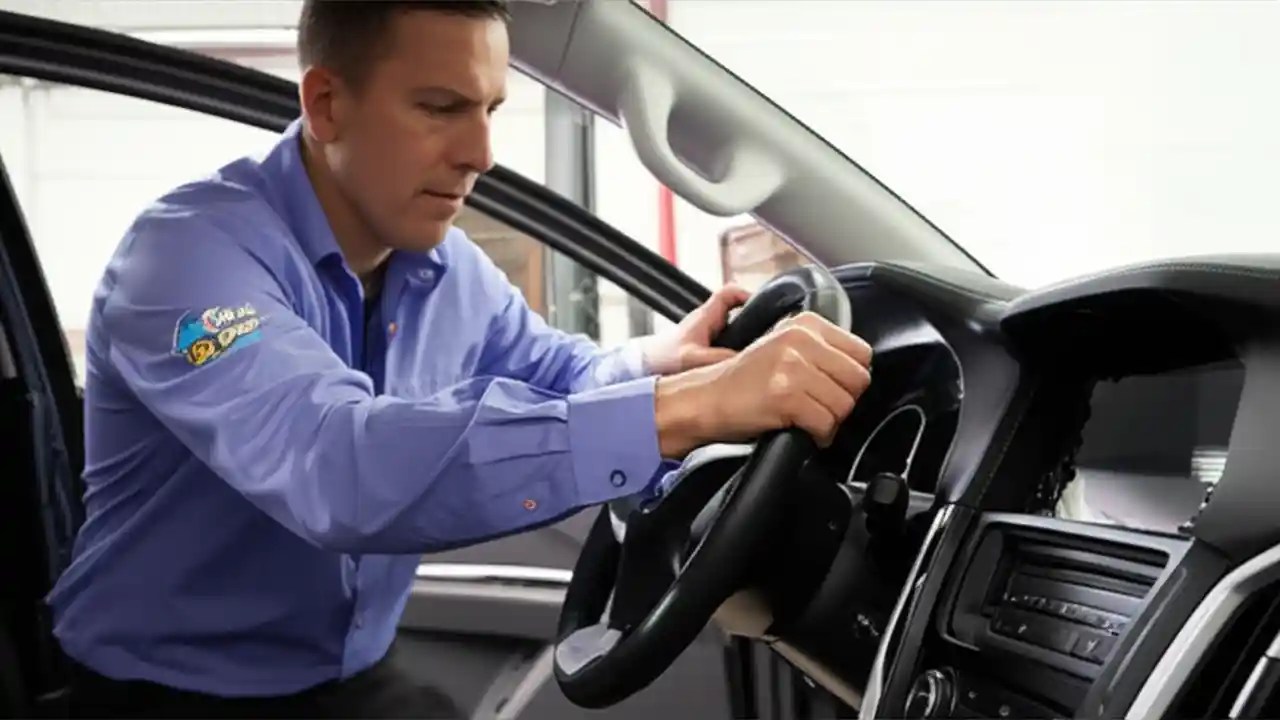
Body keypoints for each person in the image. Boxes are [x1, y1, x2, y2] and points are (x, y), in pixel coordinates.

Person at [47, 1, 873, 717]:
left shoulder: (445, 268)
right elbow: (335, 463)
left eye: (490, 109)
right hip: (156, 695)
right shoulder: (187, 260)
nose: (480, 152)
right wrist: (686, 410)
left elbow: (557, 376)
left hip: (346, 680)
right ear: (327, 104)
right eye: (441, 108)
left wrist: (667, 365)